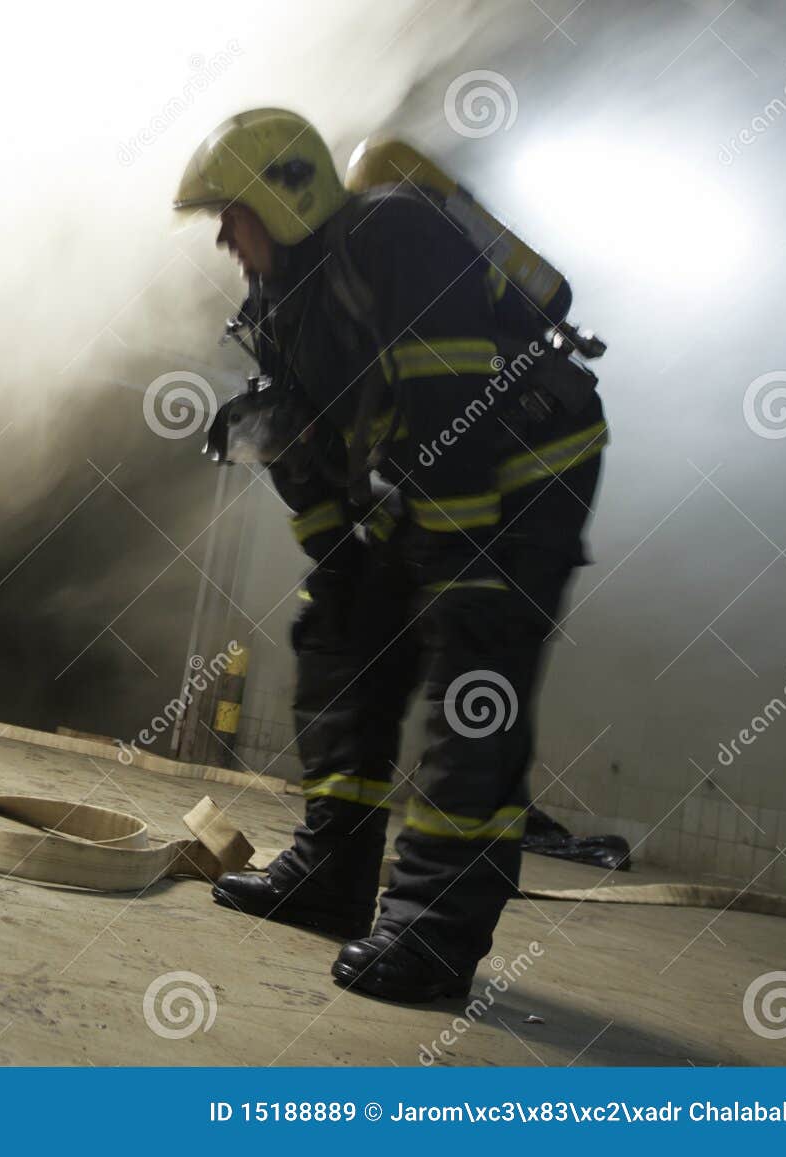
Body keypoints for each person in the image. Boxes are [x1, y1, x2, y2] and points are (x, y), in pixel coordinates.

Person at [175, 109, 607, 1002]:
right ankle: (333, 877)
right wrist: (340, 569)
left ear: (282, 196)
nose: (222, 234)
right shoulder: (286, 305)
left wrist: (460, 567)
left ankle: (435, 934)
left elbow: (448, 396)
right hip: (430, 489)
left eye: (232, 211)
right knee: (339, 640)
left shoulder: (394, 235)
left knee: (472, 678)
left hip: (521, 481)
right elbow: (311, 444)